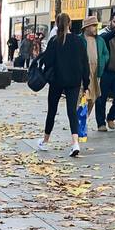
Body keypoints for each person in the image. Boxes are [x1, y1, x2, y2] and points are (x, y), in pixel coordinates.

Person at [36, 11, 89, 157]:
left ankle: (45, 140)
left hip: (57, 80)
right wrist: (86, 83)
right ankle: (75, 143)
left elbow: (47, 62)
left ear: (57, 24)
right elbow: (85, 64)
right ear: (70, 23)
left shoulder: (54, 41)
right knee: (72, 111)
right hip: (74, 81)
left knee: (52, 110)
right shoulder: (79, 41)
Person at [80, 15, 108, 131]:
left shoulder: (100, 40)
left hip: (96, 72)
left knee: (93, 98)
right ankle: (80, 121)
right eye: (93, 25)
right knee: (82, 97)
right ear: (86, 27)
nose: (96, 28)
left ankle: (85, 118)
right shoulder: (80, 39)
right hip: (83, 73)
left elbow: (106, 53)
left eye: (96, 25)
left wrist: (103, 61)